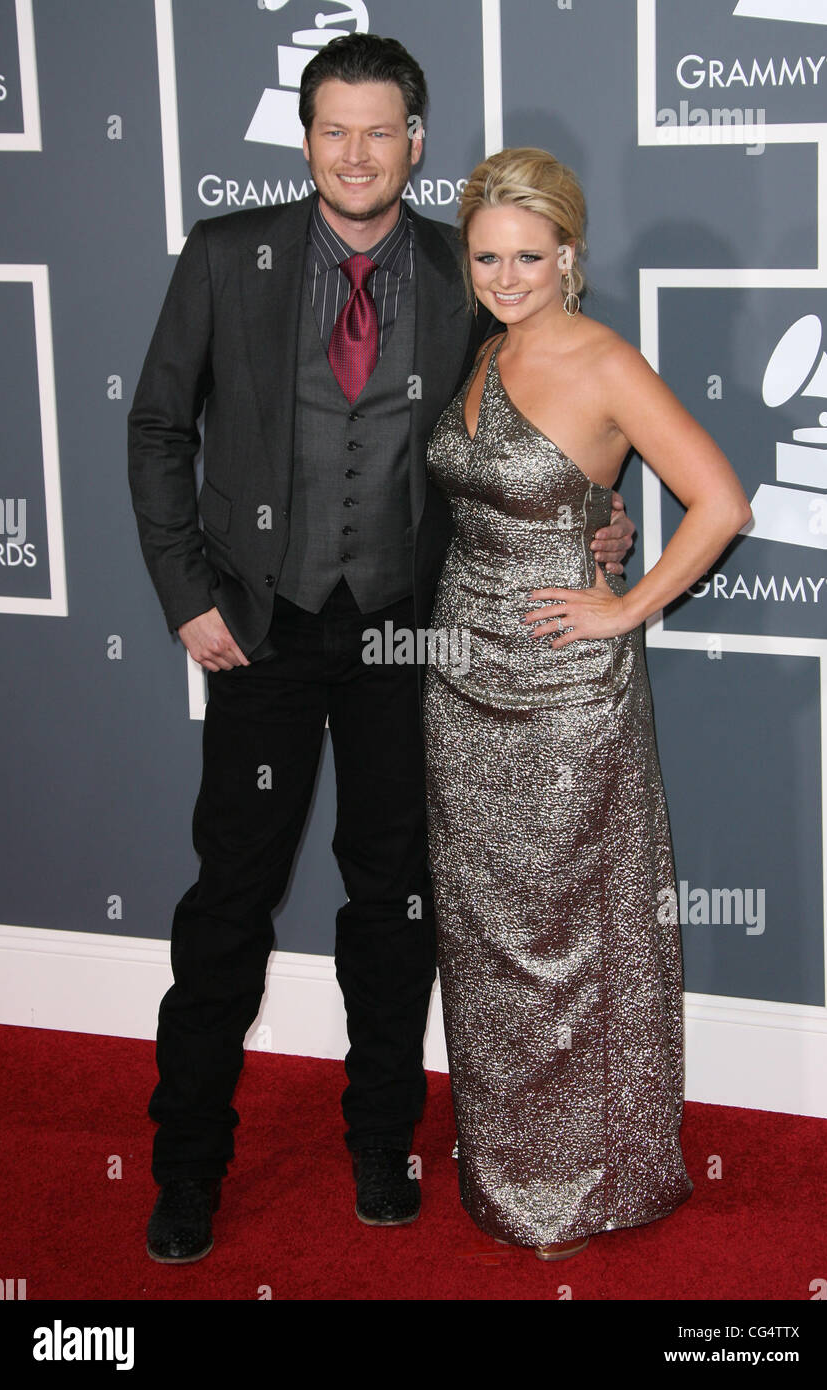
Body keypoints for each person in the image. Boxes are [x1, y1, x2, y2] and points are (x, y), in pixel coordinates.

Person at [127, 40, 635, 1264]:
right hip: (258, 630)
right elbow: (156, 426)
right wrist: (185, 591)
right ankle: (186, 1166)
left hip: (410, 637)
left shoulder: (466, 275)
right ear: (303, 139)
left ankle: (381, 1143)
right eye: (332, 131)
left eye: (381, 131)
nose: (355, 154)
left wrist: (598, 521)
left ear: (418, 141)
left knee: (392, 899)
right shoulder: (223, 260)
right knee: (226, 905)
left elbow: (545, 416)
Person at [423, 147, 752, 1261]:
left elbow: (718, 501)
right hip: (458, 682)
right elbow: (545, 489)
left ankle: (587, 1180)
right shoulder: (487, 348)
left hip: (564, 691)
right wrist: (599, 519)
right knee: (479, 931)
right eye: (485, 257)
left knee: (565, 931)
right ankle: (508, 1170)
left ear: (567, 254)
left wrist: (625, 607)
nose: (506, 276)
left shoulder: (605, 359)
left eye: (527, 255)